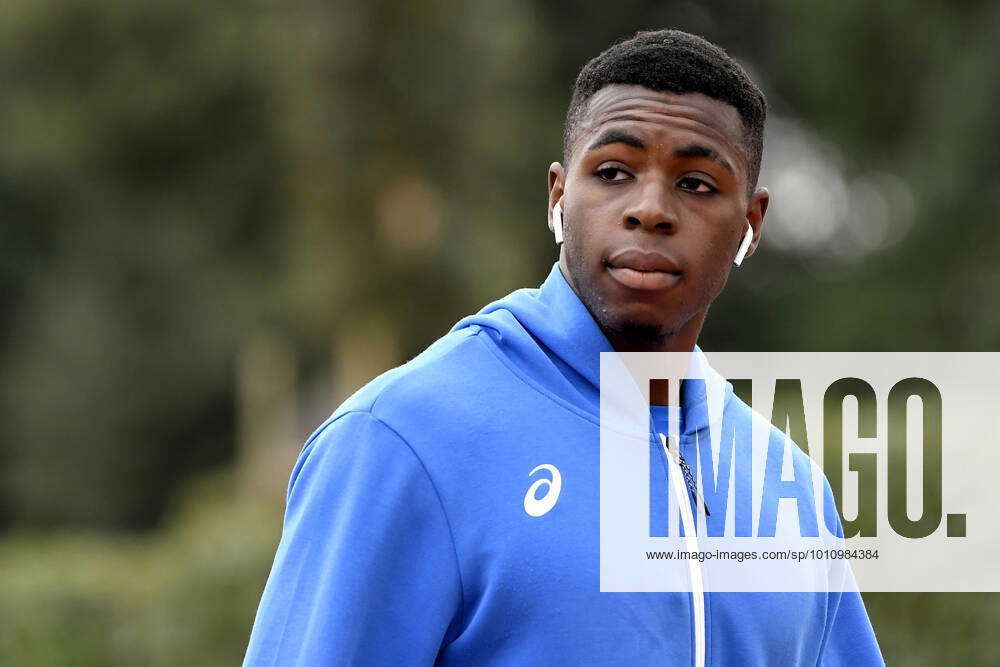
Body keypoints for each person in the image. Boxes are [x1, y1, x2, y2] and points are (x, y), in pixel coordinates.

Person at [243, 29, 884, 665]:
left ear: (750, 223)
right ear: (558, 196)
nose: (650, 210)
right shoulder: (402, 438)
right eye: (613, 172)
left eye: (696, 183)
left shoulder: (790, 488)